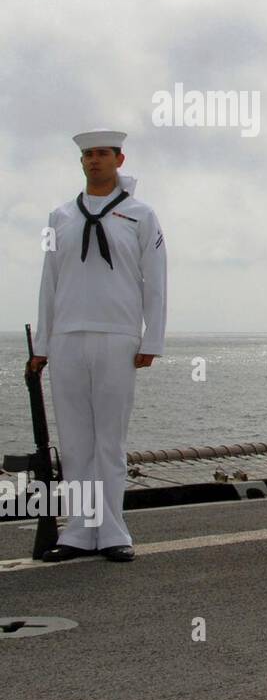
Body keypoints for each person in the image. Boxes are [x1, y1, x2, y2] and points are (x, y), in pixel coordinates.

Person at [32, 129, 167, 563]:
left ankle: (112, 530)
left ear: (119, 159)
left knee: (109, 439)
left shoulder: (141, 215)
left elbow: (155, 281)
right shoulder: (60, 217)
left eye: (102, 154)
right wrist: (42, 343)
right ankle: (78, 530)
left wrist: (153, 337)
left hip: (117, 334)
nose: (94, 161)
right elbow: (49, 280)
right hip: (68, 335)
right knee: (75, 442)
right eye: (88, 155)